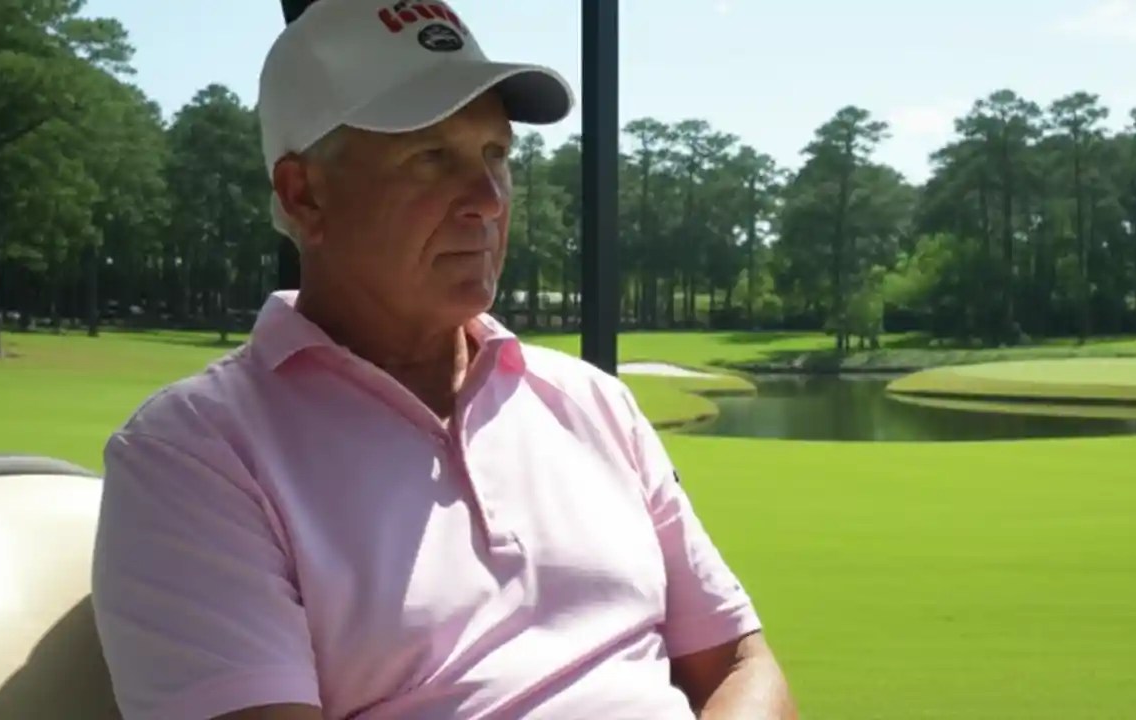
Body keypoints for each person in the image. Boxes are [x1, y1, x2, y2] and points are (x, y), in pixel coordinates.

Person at [90, 1, 799, 718]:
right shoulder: (193, 455)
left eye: (497, 154)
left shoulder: (592, 403)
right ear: (304, 195)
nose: (488, 200)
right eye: (431, 157)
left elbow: (741, 661)